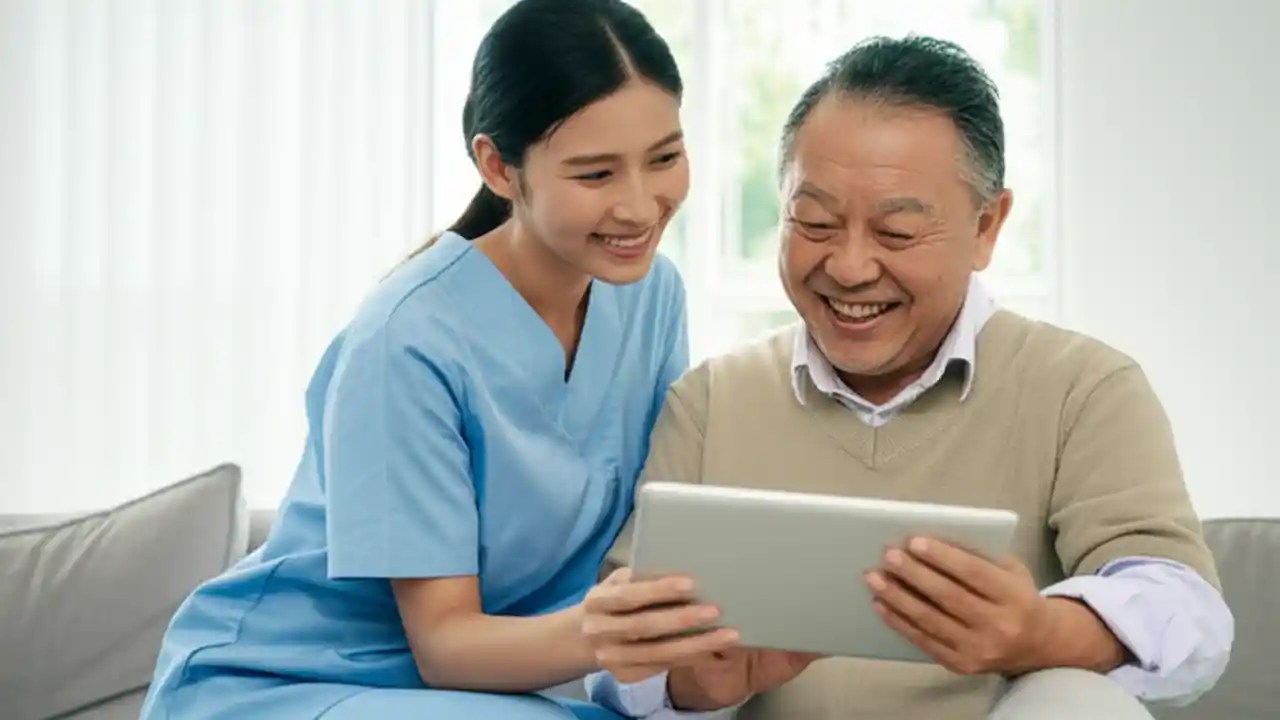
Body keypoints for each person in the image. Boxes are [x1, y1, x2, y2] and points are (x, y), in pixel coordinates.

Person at [579, 36, 1234, 719]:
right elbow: (614, 652)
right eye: (815, 221)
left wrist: (1040, 633)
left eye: (896, 233)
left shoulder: (1083, 388)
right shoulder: (714, 400)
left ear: (987, 226)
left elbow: (1187, 618)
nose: (851, 266)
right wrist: (695, 683)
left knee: (1081, 700)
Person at [139, 1, 741, 718]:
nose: (642, 206)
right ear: (498, 166)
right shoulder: (406, 337)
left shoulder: (650, 296)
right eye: (595, 174)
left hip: (502, 688)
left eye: (665, 158)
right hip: (294, 681)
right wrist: (605, 630)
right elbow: (445, 646)